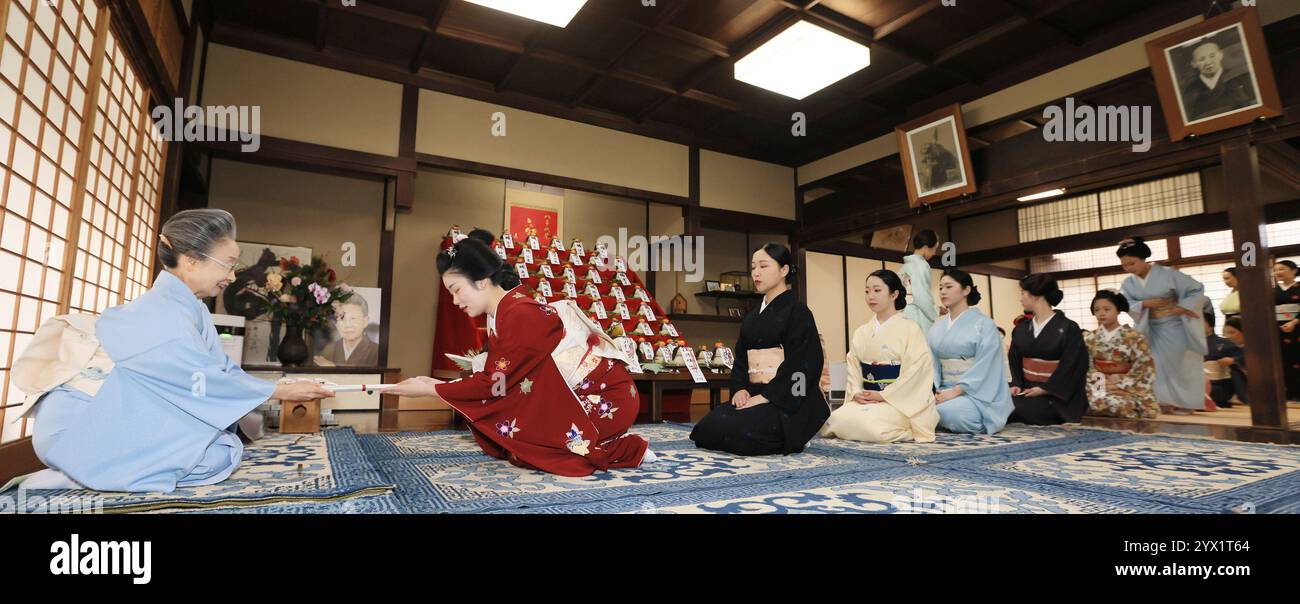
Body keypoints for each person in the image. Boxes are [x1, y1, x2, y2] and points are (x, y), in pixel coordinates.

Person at [11, 209, 333, 492]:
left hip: (117, 413)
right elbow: (200, 381)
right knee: (220, 456)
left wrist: (278, 388)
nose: (232, 277)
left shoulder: (191, 309)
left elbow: (220, 369)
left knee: (224, 448)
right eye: (229, 265)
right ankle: (83, 470)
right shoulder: (164, 312)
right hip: (81, 423)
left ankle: (99, 469)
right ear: (191, 260)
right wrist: (278, 392)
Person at [385, 238, 650, 476]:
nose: (455, 301)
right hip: (579, 396)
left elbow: (496, 384)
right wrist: (435, 385)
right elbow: (502, 383)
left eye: (456, 289)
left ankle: (619, 448)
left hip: (604, 399)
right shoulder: (503, 314)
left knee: (538, 454)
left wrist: (432, 389)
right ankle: (601, 442)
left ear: (481, 280)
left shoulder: (521, 314)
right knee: (518, 449)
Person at [691, 244, 829, 455]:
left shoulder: (798, 312)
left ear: (784, 270)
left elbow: (804, 363)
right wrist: (740, 390)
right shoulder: (752, 317)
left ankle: (798, 435)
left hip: (787, 399)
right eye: (753, 267)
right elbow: (741, 360)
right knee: (706, 428)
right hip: (754, 393)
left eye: (763, 266)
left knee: (742, 433)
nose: (756, 272)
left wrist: (768, 397)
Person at [821, 270, 939, 443]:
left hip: (900, 401)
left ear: (894, 294)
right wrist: (856, 392)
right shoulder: (862, 331)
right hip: (868, 398)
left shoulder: (910, 329)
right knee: (835, 420)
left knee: (871, 425)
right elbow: (854, 366)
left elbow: (917, 371)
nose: (871, 296)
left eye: (877, 290)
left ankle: (908, 429)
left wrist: (884, 395)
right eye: (867, 291)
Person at [1117, 237, 1208, 415]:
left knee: (1179, 364)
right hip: (1149, 327)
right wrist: (1145, 304)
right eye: (1125, 265)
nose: (1129, 268)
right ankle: (1162, 401)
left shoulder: (1169, 274)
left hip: (1174, 326)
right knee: (1154, 366)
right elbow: (1124, 302)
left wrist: (1182, 306)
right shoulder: (1128, 283)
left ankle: (1185, 403)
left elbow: (1196, 288)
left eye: (1132, 263)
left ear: (1144, 259)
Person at [926, 269, 1012, 434]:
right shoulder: (937, 327)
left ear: (966, 290)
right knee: (919, 406)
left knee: (950, 412)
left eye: (949, 287)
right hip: (943, 390)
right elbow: (933, 364)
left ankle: (983, 418)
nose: (943, 292)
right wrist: (935, 390)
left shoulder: (985, 325)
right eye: (941, 288)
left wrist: (957, 391)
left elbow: (987, 365)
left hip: (976, 393)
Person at [1008, 274, 1089, 425]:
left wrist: (1046, 389)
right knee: (998, 400)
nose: (1020, 298)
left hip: (1056, 395)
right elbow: (1014, 359)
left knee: (1017, 408)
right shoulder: (1021, 328)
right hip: (1026, 389)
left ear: (1036, 296)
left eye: (1022, 293)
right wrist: (1016, 384)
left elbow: (1073, 365)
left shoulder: (1069, 328)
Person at [1083, 290, 1158, 419]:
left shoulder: (1135, 337)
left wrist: (1121, 383)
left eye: (1107, 309)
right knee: (1086, 402)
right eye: (1097, 310)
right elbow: (1087, 367)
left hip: (1127, 388)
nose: (1101, 313)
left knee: (1116, 403)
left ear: (1118, 310)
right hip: (1099, 387)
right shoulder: (1090, 338)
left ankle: (1125, 407)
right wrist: (1102, 384)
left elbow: (1145, 368)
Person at [1180, 40, 1258, 123]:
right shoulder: (1190, 91)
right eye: (1202, 59)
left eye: (1212, 56)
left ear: (1220, 55)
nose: (1208, 62)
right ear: (1194, 64)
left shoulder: (1240, 77)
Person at [315, 295, 379, 366]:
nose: (348, 325)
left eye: (353, 318)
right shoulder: (329, 349)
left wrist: (333, 369)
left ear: (365, 321)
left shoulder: (376, 351)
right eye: (342, 318)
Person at [899, 229, 940, 332]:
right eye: (935, 249)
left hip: (903, 314)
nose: (934, 253)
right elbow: (922, 295)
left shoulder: (904, 268)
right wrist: (936, 311)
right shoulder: (921, 265)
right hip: (917, 315)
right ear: (926, 248)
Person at [1273, 260, 1300, 401]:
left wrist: (1294, 322)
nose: (1278, 272)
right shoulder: (1273, 290)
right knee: (1282, 361)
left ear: (1294, 271)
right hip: (1277, 329)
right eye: (1276, 270)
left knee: (1297, 359)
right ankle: (1288, 393)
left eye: (1282, 269)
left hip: (1297, 328)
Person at [1204, 311, 1242, 408]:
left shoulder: (1225, 343)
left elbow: (1243, 357)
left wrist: (1233, 360)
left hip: (1218, 386)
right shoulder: (1187, 345)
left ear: (1210, 326)